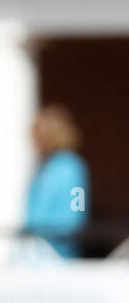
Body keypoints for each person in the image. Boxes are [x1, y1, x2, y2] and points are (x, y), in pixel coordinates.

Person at [24, 104, 89, 258]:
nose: (35, 142)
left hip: (59, 254)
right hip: (33, 251)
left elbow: (76, 215)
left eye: (40, 136)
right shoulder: (42, 168)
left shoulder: (73, 167)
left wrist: (45, 231)